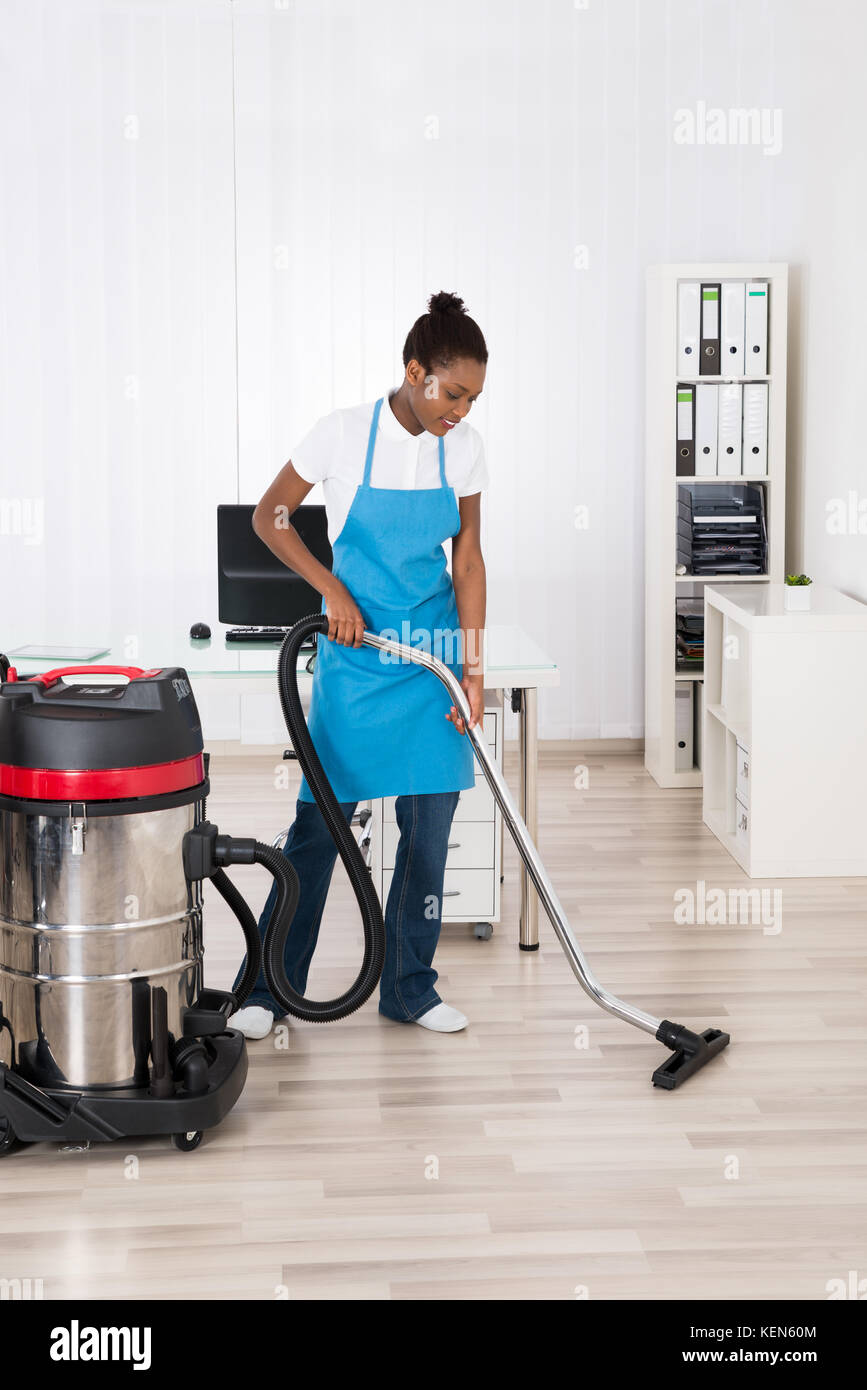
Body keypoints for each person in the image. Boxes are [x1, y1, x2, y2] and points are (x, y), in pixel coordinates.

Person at [230, 290, 488, 1039]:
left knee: (430, 824)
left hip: (432, 656)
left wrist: (471, 669)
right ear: (415, 371)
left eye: (472, 397)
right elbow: (269, 515)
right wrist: (331, 588)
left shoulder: (464, 449)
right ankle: (270, 991)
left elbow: (467, 560)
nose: (461, 410)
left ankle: (409, 986)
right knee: (318, 826)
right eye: (452, 392)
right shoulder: (342, 434)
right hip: (356, 656)